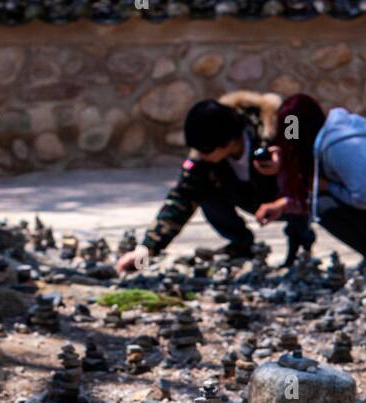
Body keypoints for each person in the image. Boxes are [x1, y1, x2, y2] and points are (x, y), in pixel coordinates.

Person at [116, 94, 312, 273]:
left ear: (227, 143)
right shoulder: (204, 162)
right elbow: (179, 200)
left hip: (287, 199)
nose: (200, 155)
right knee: (202, 190)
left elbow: (296, 125)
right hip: (251, 198)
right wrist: (144, 253)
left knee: (295, 189)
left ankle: (300, 250)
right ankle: (241, 245)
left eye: (205, 150)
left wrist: (287, 158)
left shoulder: (279, 125)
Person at [257, 94, 366, 269]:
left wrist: (328, 186)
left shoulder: (341, 147)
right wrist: (283, 190)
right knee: (322, 200)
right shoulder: (328, 141)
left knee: (323, 205)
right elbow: (307, 186)